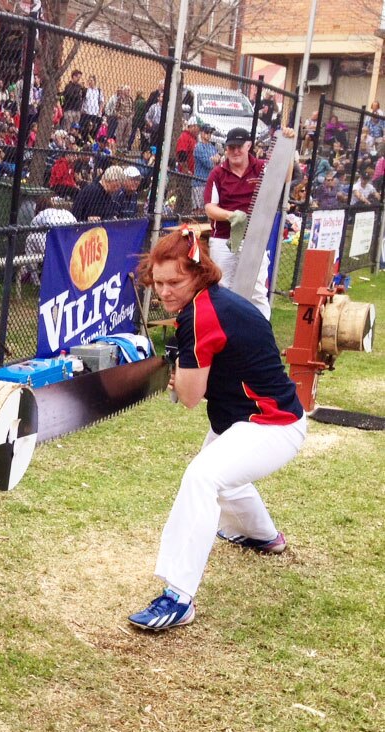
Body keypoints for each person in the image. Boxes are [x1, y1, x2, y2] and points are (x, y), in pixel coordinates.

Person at [127, 228, 305, 632]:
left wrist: (177, 377)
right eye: (158, 283)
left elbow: (190, 397)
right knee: (224, 477)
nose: (165, 291)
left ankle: (178, 596)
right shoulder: (212, 302)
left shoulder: (201, 314)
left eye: (175, 282)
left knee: (203, 478)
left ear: (199, 273)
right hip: (249, 421)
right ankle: (265, 537)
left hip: (271, 425)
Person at [203, 127, 294, 321]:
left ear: (248, 146)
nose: (235, 151)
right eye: (231, 147)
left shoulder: (261, 168)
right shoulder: (217, 174)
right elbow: (210, 207)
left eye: (239, 147)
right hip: (223, 239)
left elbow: (285, 178)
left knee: (257, 289)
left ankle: (261, 333)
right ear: (226, 149)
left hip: (255, 239)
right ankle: (225, 332)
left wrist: (290, 146)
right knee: (222, 287)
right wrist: (231, 216)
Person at [191, 124, 219, 212]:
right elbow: (209, 164)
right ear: (202, 133)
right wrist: (214, 160)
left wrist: (215, 160)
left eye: (210, 133)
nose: (209, 134)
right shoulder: (198, 147)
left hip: (209, 182)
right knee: (198, 210)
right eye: (207, 132)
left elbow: (218, 163)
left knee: (207, 209)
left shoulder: (212, 147)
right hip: (199, 182)